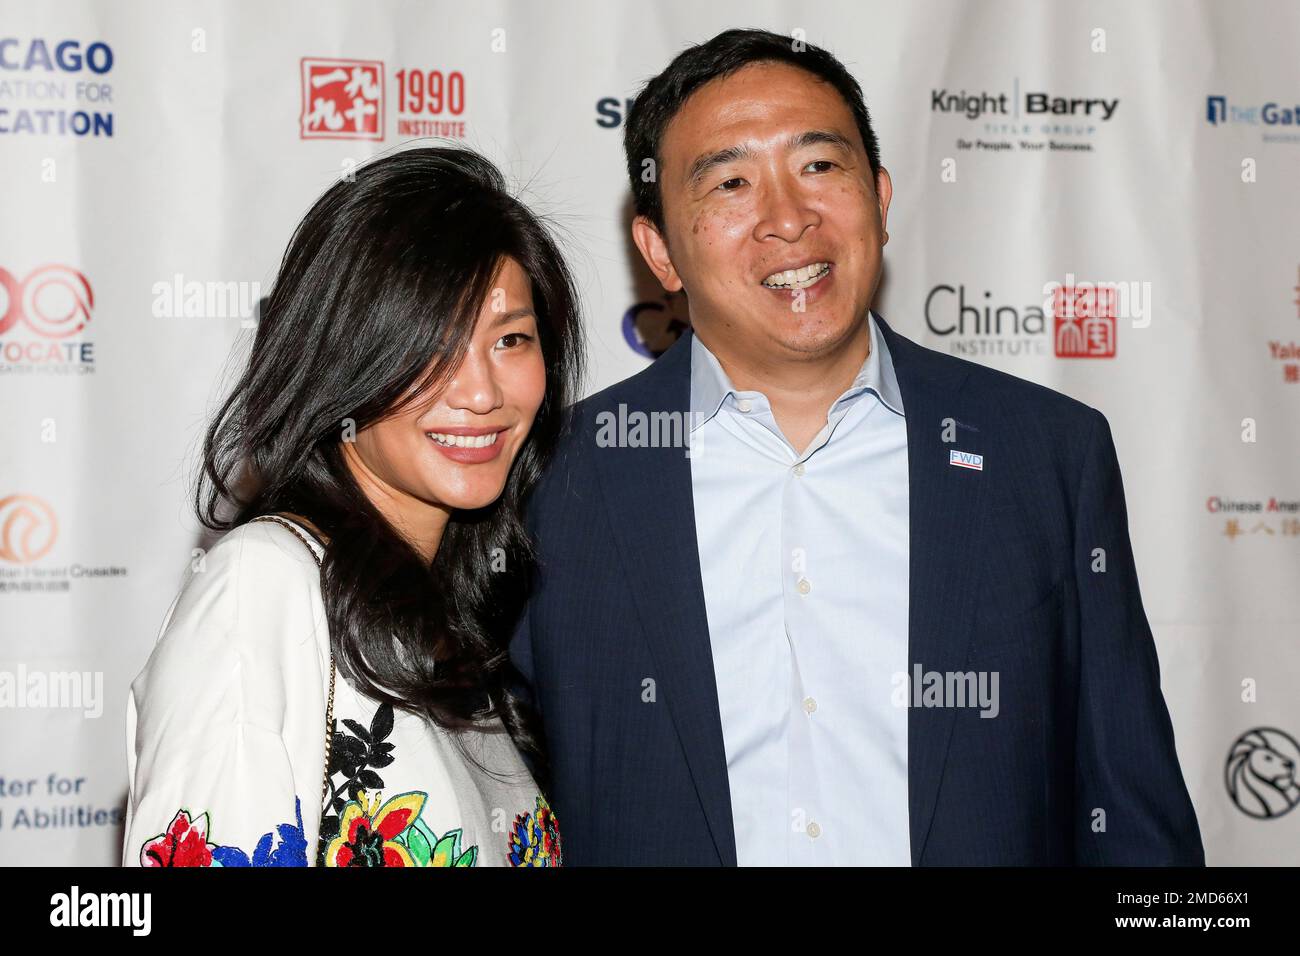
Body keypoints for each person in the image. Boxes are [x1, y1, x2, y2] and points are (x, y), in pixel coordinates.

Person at [508, 28, 1204, 865]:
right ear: (661, 250)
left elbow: (1132, 815)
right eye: (731, 181)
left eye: (818, 167)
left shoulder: (1047, 455)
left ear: (878, 195)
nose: (788, 219)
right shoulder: (556, 478)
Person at [122, 146, 583, 867]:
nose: (483, 392)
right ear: (345, 360)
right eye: (434, 346)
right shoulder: (263, 589)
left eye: (511, 339)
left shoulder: (457, 625)